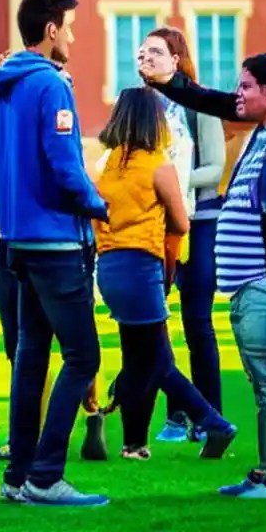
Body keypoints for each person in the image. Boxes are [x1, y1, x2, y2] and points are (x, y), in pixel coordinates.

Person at [141, 51, 266, 500]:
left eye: (246, 86)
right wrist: (169, 82)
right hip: (262, 281)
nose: (238, 94)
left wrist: (256, 215)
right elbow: (211, 101)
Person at [0, 0, 109, 506]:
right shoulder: (52, 85)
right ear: (51, 30)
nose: (73, 38)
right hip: (56, 243)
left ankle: (18, 477)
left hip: (15, 242)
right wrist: (99, 204)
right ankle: (45, 476)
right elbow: (64, 166)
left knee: (31, 357)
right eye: (70, 28)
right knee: (83, 356)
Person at [92, 87, 237, 461]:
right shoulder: (158, 164)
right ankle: (214, 423)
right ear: (154, 120)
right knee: (160, 361)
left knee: (136, 357)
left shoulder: (105, 164)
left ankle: (133, 444)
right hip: (141, 267)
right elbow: (181, 222)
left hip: (109, 269)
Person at [135, 29, 228, 444]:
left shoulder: (199, 104)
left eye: (156, 51)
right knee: (157, 323)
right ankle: (175, 416)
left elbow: (215, 168)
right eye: (142, 51)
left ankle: (212, 417)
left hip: (200, 221)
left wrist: (171, 182)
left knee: (197, 323)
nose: (145, 57)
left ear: (177, 59)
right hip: (155, 225)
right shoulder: (140, 105)